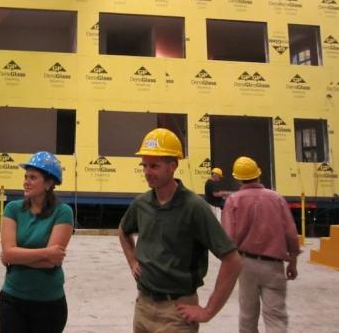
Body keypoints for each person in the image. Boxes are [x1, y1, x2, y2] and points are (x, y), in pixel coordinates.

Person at [118, 128, 242, 332]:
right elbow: (123, 231)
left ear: (173, 165)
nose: (148, 172)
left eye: (155, 166)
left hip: (177, 312)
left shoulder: (194, 207)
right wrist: (132, 260)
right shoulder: (142, 204)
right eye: (145, 166)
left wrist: (208, 311)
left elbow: (233, 261)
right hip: (143, 307)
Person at [0, 151, 74, 333]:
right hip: (12, 300)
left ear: (49, 183)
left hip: (49, 304)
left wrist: (17, 256)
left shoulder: (63, 212)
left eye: (33, 177)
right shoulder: (12, 209)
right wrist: (46, 252)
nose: (26, 181)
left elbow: (51, 264)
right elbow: (9, 253)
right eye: (25, 176)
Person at [222, 156, 300, 333]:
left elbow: (227, 239)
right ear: (258, 174)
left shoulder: (234, 200)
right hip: (273, 265)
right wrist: (293, 261)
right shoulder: (277, 198)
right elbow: (290, 232)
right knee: (276, 317)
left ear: (238, 178)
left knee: (247, 317)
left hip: (245, 264)